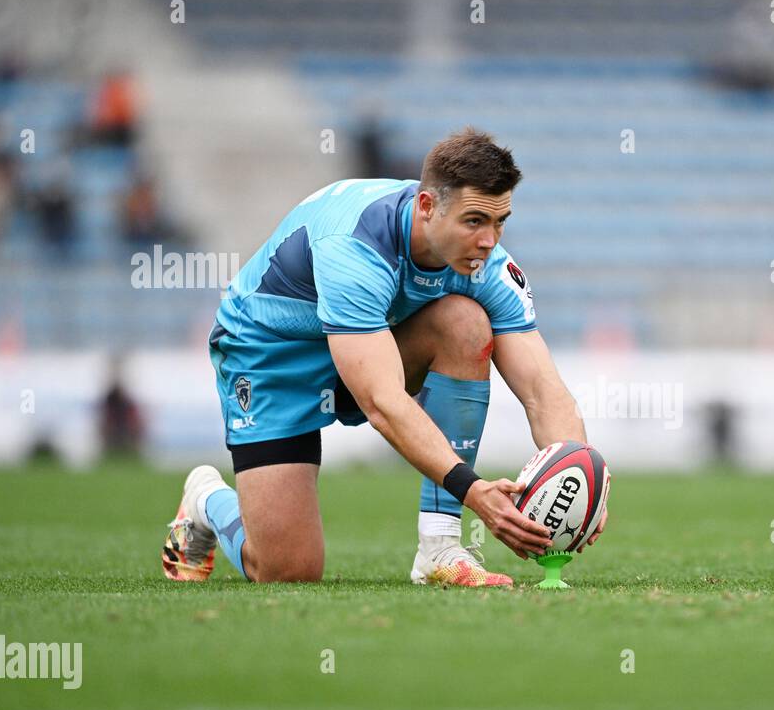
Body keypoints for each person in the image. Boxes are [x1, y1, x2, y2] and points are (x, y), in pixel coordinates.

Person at [162, 128, 607, 586]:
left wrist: (586, 474)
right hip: (272, 356)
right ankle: (207, 499)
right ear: (428, 206)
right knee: (287, 572)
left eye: (500, 222)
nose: (489, 241)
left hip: (371, 345)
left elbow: (541, 389)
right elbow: (382, 403)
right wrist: (475, 491)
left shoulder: (487, 265)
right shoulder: (355, 247)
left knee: (465, 324)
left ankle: (439, 550)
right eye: (474, 221)